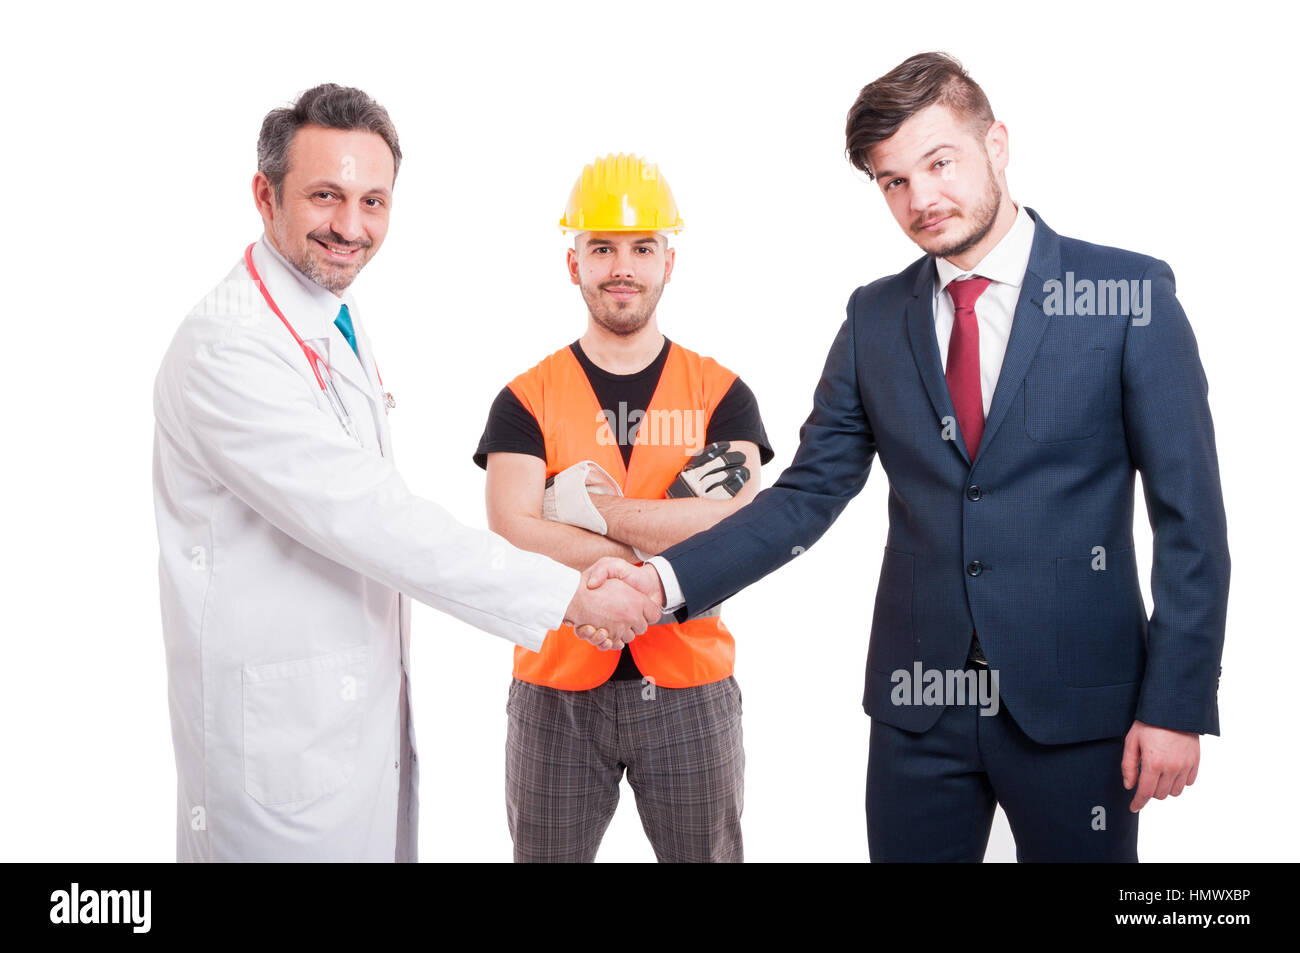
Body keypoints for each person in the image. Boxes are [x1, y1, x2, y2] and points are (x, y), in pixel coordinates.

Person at [600, 53, 1230, 861]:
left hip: (1079, 705)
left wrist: (1176, 701)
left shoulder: (1129, 297)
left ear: (996, 144)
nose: (921, 198)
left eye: (940, 162)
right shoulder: (875, 317)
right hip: (917, 710)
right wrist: (662, 583)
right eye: (892, 180)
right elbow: (807, 495)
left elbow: (1192, 521)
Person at [152, 86, 660, 862]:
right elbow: (372, 517)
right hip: (280, 746)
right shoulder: (228, 349)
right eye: (326, 195)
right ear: (266, 195)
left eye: (373, 200)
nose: (351, 227)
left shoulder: (329, 319)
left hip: (347, 722)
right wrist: (565, 591)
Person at [475, 154, 773, 862]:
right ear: (571, 262)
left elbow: (737, 519)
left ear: (669, 261)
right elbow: (513, 528)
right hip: (556, 688)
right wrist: (663, 547)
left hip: (690, 686)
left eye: (642, 248)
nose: (622, 267)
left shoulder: (721, 393)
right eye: (601, 247)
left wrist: (585, 511)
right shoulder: (525, 399)